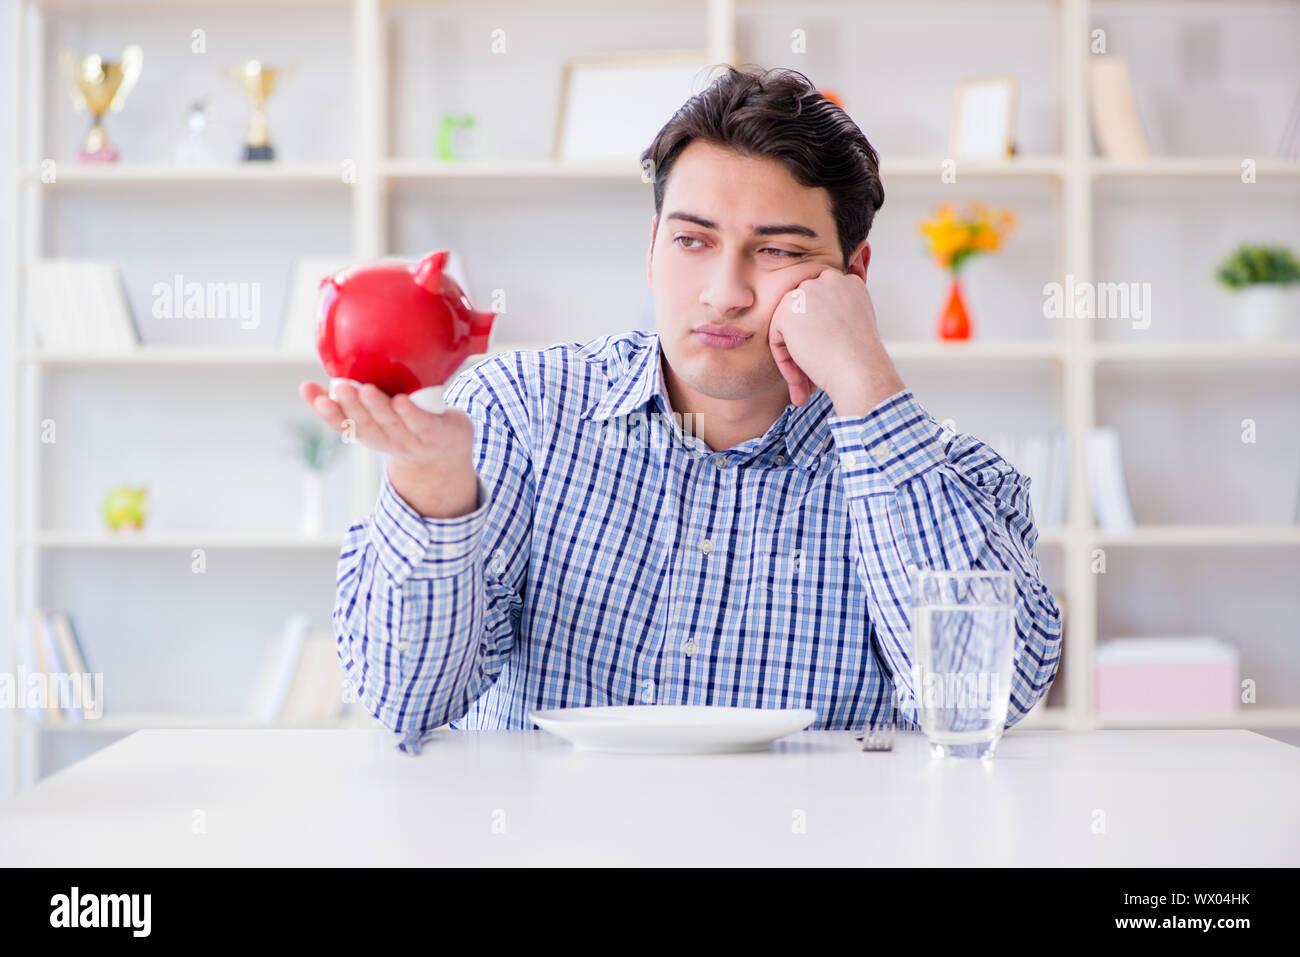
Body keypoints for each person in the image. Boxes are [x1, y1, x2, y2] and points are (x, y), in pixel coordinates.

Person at [300, 65, 1063, 755]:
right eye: (693, 241)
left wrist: (867, 387)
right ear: (652, 250)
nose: (724, 293)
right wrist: (434, 493)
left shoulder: (953, 475)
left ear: (853, 273)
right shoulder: (516, 414)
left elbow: (989, 702)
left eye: (777, 251)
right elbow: (405, 703)